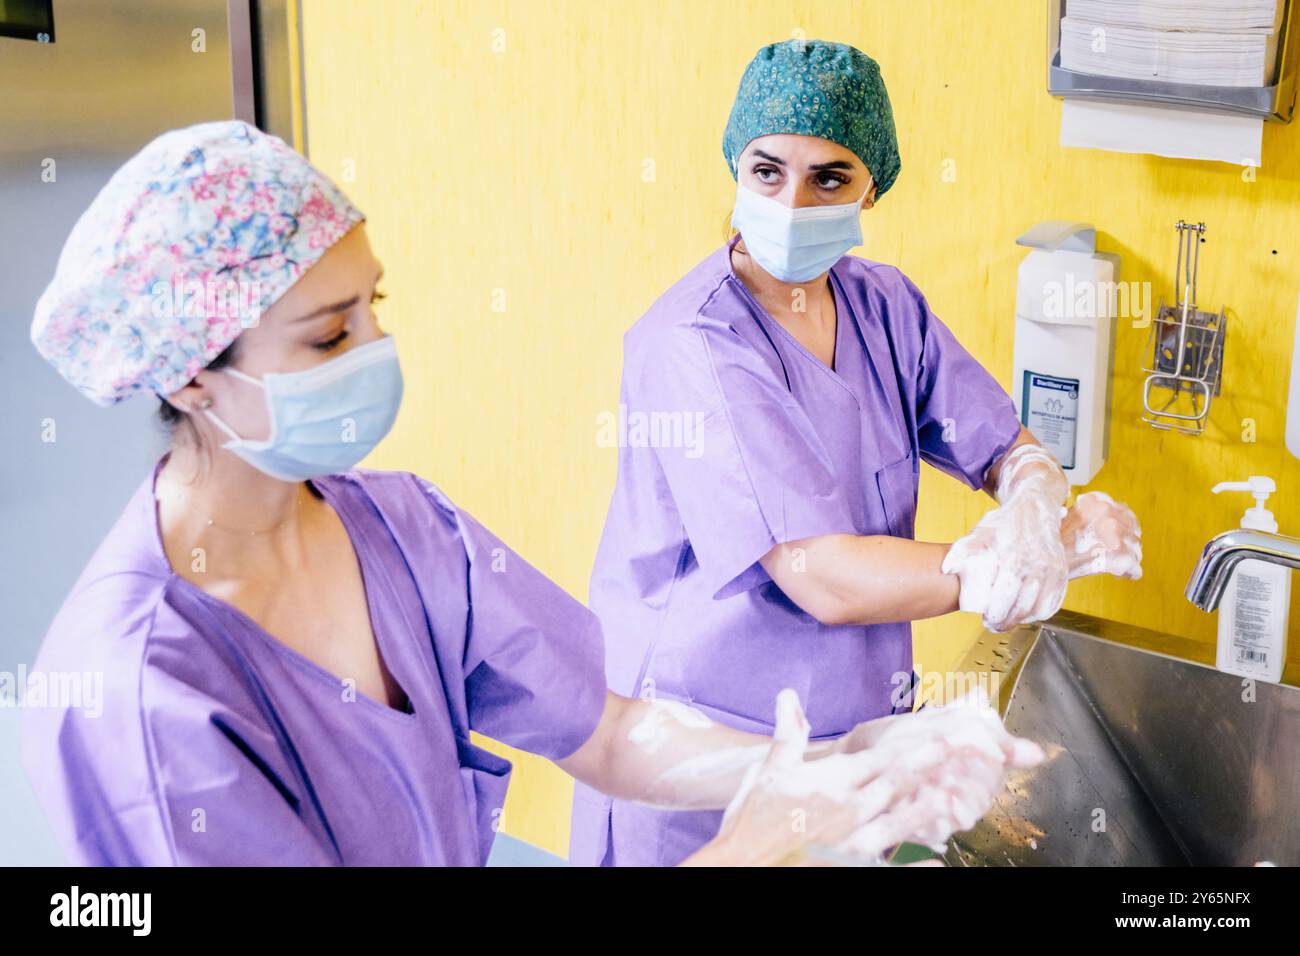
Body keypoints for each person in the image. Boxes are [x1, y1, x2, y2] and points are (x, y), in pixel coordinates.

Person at [21, 120, 1042, 867]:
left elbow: (604, 728)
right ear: (190, 375)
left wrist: (823, 769)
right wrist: (757, 845)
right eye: (330, 335)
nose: (377, 352)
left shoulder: (397, 526)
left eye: (374, 308)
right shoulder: (145, 691)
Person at [569, 39, 1141, 867]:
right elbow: (822, 576)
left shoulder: (883, 304)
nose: (793, 202)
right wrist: (997, 566)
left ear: (873, 183)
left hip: (849, 733)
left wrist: (1032, 498)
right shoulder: (694, 345)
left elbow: (999, 442)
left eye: (828, 177)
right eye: (767, 171)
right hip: (710, 742)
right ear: (735, 165)